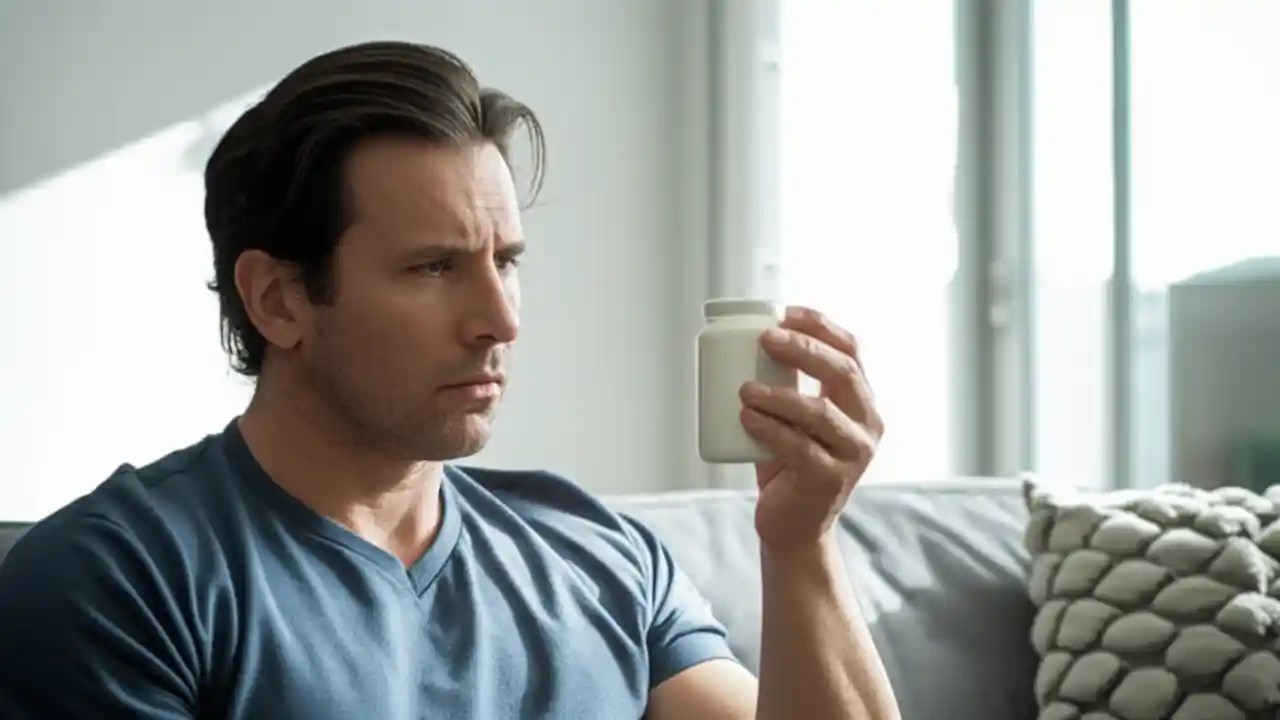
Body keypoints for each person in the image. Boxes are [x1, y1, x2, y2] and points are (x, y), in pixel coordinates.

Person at [0, 41, 899, 719]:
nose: (499, 320)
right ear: (278, 299)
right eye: (432, 268)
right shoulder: (113, 582)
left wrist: (801, 542)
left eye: (506, 260)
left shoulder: (597, 553)